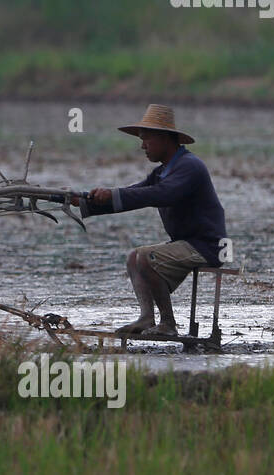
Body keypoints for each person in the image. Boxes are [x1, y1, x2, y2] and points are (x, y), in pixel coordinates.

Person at [73, 105, 227, 337]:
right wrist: (85, 201)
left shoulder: (189, 167)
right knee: (134, 258)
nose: (142, 146)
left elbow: (161, 194)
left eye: (147, 139)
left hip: (207, 246)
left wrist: (112, 193)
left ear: (166, 139)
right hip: (187, 243)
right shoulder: (162, 172)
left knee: (146, 256)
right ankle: (146, 318)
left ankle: (168, 324)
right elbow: (134, 193)